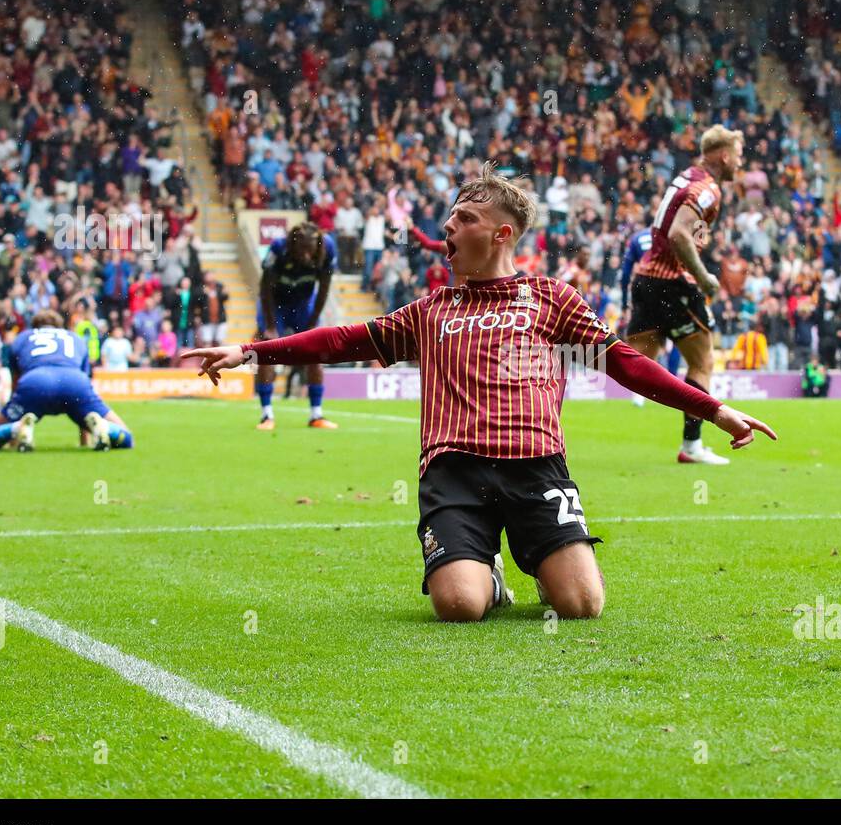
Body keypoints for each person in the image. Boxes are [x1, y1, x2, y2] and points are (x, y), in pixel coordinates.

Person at [186, 164, 776, 622]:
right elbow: (342, 338)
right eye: (449, 218)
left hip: (537, 468)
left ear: (500, 233)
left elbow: (625, 363)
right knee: (459, 607)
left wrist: (715, 409)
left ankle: (539, 559)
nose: (448, 226)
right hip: (454, 473)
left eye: (464, 218)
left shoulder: (552, 298)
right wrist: (252, 351)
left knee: (582, 607)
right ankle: (487, 571)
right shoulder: (429, 309)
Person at [626, 125, 743, 464]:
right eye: (737, 155)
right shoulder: (707, 189)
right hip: (670, 284)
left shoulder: (686, 176)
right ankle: (692, 446)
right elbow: (679, 233)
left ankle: (556, 362)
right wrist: (703, 276)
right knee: (703, 361)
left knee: (636, 359)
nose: (739, 162)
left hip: (647, 279)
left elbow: (684, 232)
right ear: (723, 155)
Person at [0, 310, 133, 452]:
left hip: (36, 382)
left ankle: (16, 429)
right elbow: (85, 381)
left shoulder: (23, 337)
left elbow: (17, 381)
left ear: (34, 326)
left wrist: (12, 420)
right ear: (60, 326)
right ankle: (104, 428)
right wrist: (84, 439)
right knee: (126, 435)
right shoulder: (75, 338)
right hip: (75, 382)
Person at [254, 222, 337, 430]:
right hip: (275, 305)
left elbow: (324, 289)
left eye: (311, 251)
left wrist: (312, 323)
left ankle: (316, 415)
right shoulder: (278, 249)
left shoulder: (328, 249)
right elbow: (264, 288)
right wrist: (271, 326)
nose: (307, 256)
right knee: (267, 350)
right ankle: (267, 415)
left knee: (316, 352)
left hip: (304, 305)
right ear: (293, 245)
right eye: (302, 250)